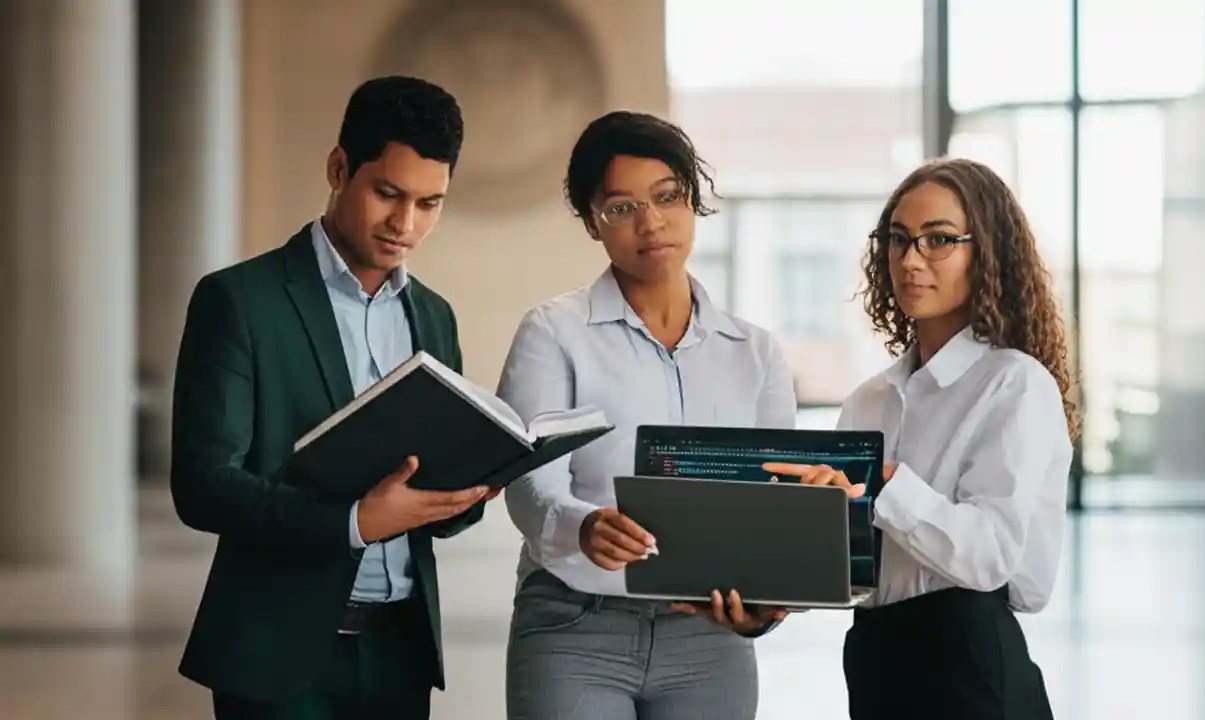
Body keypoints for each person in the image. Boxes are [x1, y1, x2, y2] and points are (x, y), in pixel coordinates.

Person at [171, 75, 499, 719]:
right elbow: (204, 484)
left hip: (401, 651)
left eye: (430, 204)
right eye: (388, 194)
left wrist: (469, 488)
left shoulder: (434, 317)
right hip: (276, 657)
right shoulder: (239, 301)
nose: (405, 224)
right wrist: (355, 522)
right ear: (338, 168)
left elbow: (441, 508)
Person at [497, 110, 795, 720]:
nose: (651, 223)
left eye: (668, 197)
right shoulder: (554, 333)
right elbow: (528, 483)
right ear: (591, 222)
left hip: (709, 638)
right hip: (576, 625)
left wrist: (766, 603)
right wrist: (582, 525)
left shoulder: (755, 353)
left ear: (693, 201)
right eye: (621, 207)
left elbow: (775, 505)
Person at [767, 158, 1074, 719]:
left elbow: (993, 558)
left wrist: (884, 486)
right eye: (899, 239)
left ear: (985, 253)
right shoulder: (868, 400)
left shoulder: (1015, 384)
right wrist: (763, 596)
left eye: (938, 240)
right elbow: (847, 567)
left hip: (970, 662)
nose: (910, 260)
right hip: (875, 655)